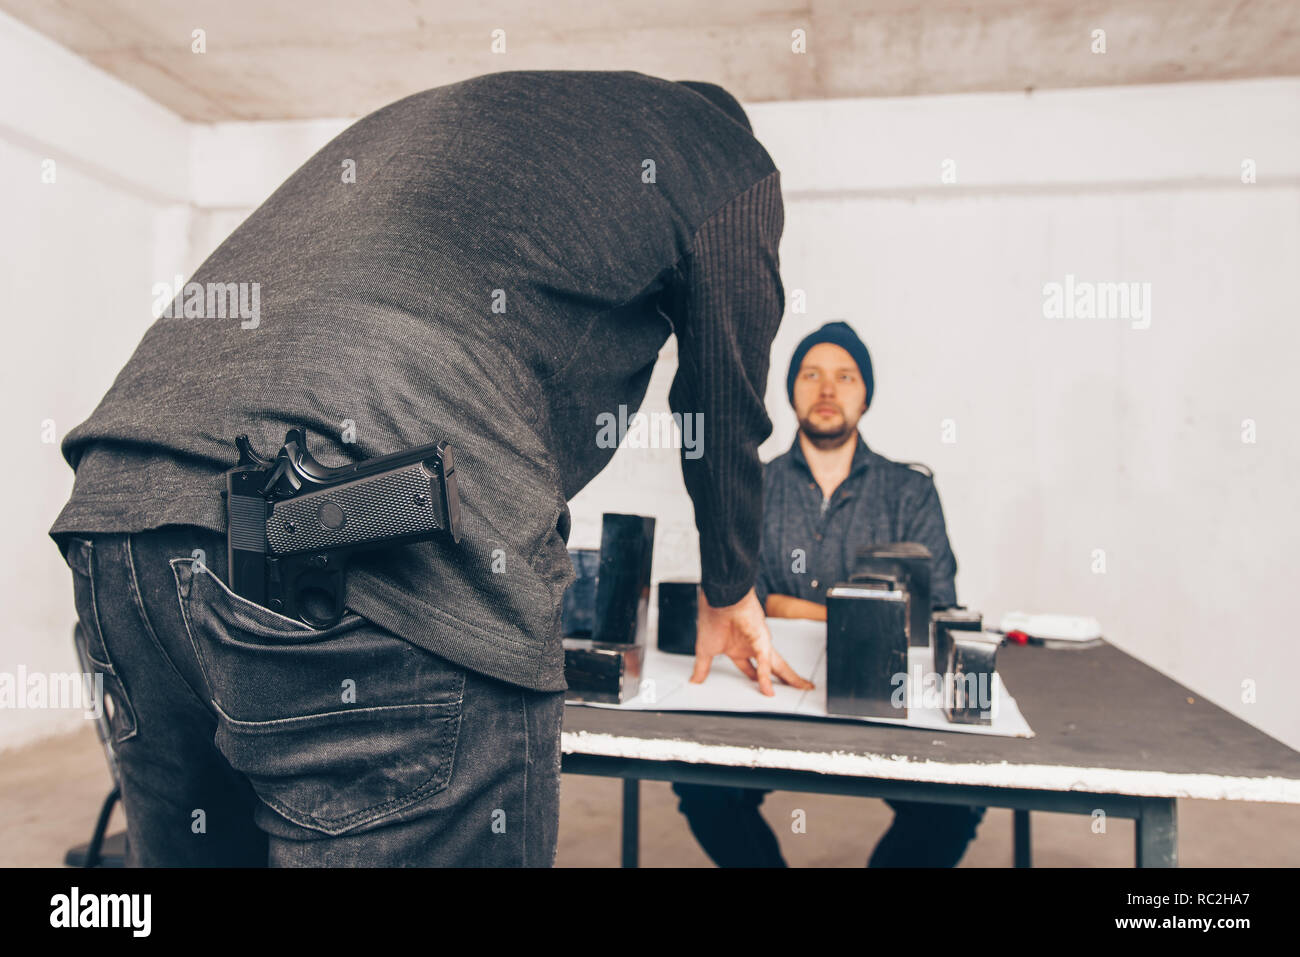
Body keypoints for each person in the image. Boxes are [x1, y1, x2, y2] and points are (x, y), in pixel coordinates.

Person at [49, 71, 811, 867]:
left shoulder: (456, 120)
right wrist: (730, 586)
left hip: (120, 508)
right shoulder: (730, 160)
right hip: (358, 543)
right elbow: (723, 400)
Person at [674, 321, 986, 867]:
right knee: (702, 788)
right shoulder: (754, 488)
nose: (826, 390)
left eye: (845, 377)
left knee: (955, 802)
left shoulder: (910, 491)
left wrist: (788, 607)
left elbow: (933, 611)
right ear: (791, 389)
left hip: (882, 699)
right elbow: (741, 598)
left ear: (865, 395)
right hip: (767, 692)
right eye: (811, 375)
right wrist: (865, 611)